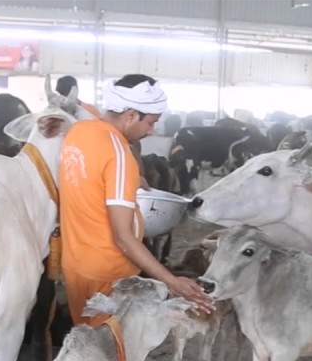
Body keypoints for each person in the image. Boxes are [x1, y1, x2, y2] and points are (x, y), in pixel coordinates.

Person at [57, 73, 215, 328]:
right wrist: (172, 281)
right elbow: (123, 237)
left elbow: (92, 180)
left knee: (87, 347)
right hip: (109, 275)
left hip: (76, 265)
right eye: (151, 122)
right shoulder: (119, 154)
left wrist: (134, 181)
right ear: (131, 115)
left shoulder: (79, 132)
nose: (151, 130)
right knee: (113, 358)